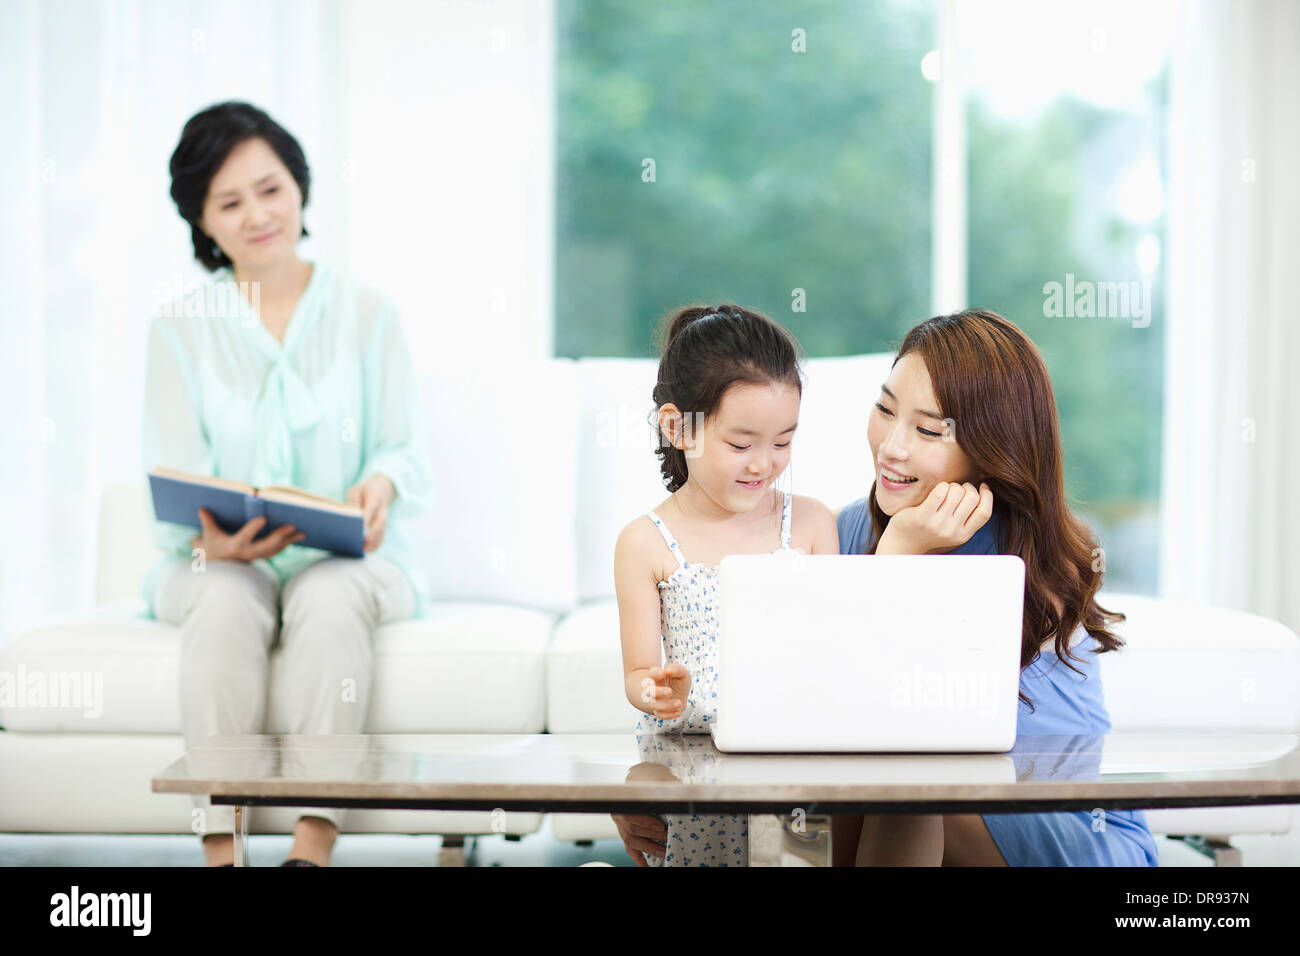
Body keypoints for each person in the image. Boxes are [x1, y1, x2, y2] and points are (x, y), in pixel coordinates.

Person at [143, 101, 434, 867]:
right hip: (220, 557)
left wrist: (379, 484)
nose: (257, 215)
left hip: (345, 557)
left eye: (270, 189)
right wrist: (209, 539)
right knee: (223, 596)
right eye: (229, 202)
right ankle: (219, 845)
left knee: (333, 593)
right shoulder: (178, 327)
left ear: (300, 189)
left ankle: (314, 841)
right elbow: (173, 468)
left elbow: (402, 447)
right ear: (203, 223)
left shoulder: (369, 312)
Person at [831, 308, 1159, 866]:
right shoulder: (850, 528)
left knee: (903, 772)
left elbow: (936, 736)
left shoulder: (1032, 561)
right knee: (867, 775)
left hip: (1063, 827)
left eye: (929, 430)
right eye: (885, 409)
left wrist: (900, 559)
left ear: (991, 450)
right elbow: (831, 714)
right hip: (922, 811)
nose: (891, 446)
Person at [610, 303, 840, 866]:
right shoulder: (646, 541)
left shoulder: (810, 523)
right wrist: (658, 692)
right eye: (742, 445)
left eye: (783, 442)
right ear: (677, 427)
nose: (764, 464)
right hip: (689, 761)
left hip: (790, 761)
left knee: (796, 861)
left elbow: (834, 651)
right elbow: (639, 675)